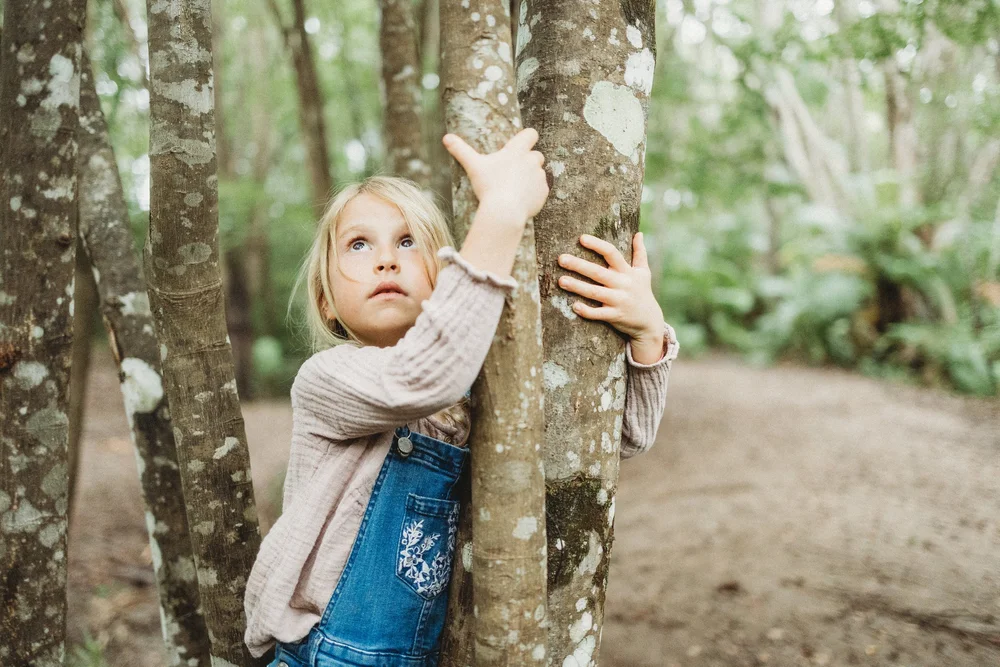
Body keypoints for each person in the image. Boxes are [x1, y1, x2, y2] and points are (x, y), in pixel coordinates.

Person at [243, 128, 681, 666]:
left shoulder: (471, 393)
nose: (386, 260)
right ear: (326, 302)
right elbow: (422, 377)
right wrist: (500, 213)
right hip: (325, 653)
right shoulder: (327, 380)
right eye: (359, 245)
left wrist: (647, 332)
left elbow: (617, 437)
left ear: (444, 279)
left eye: (408, 242)